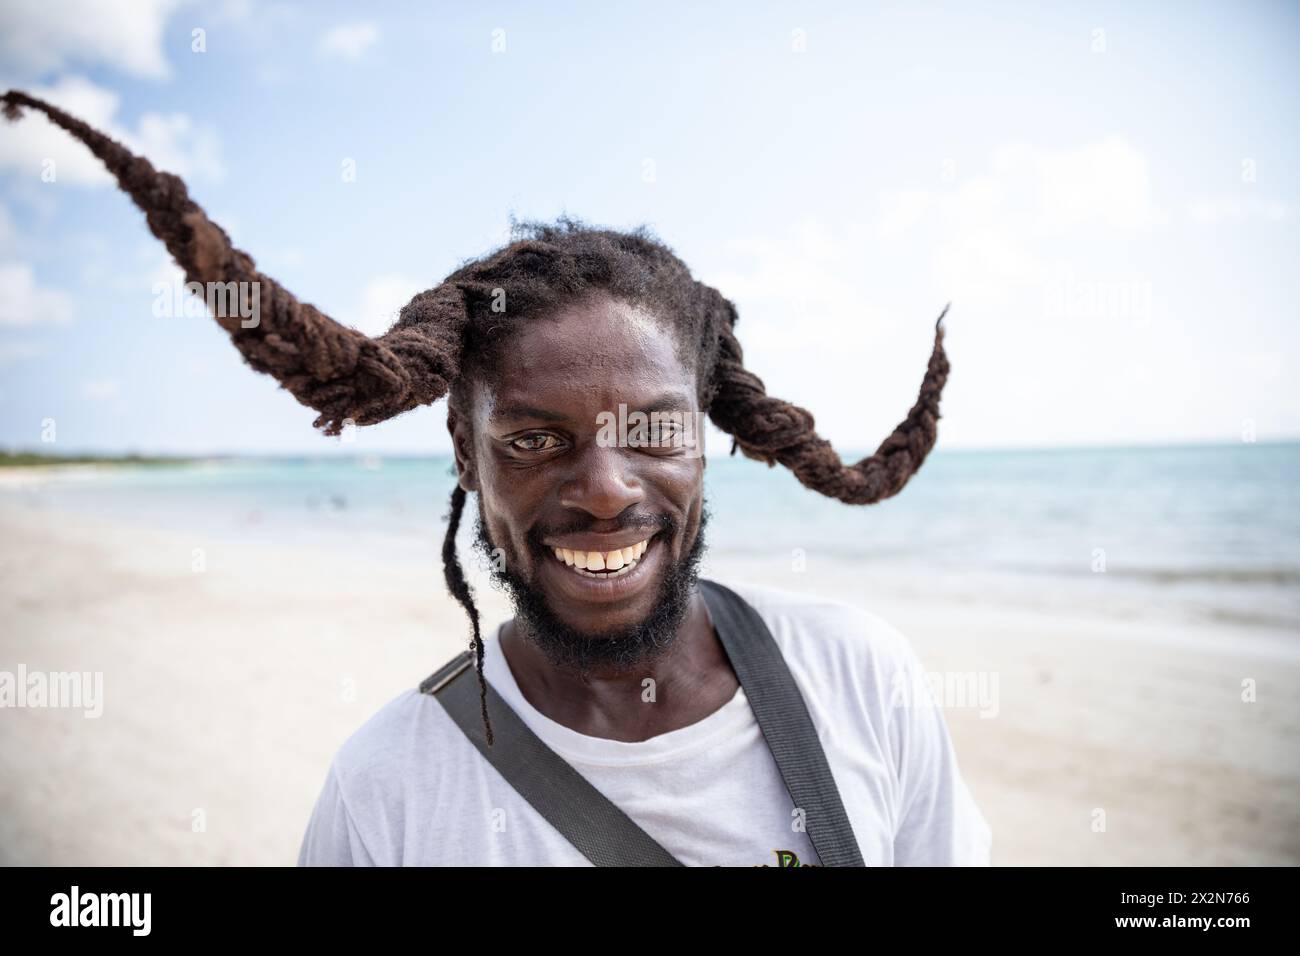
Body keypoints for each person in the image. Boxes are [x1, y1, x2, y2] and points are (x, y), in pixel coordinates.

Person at [4, 90, 993, 867]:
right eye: (531, 439)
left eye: (652, 428)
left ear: (703, 440)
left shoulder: (863, 679)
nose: (604, 489)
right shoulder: (386, 790)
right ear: (465, 458)